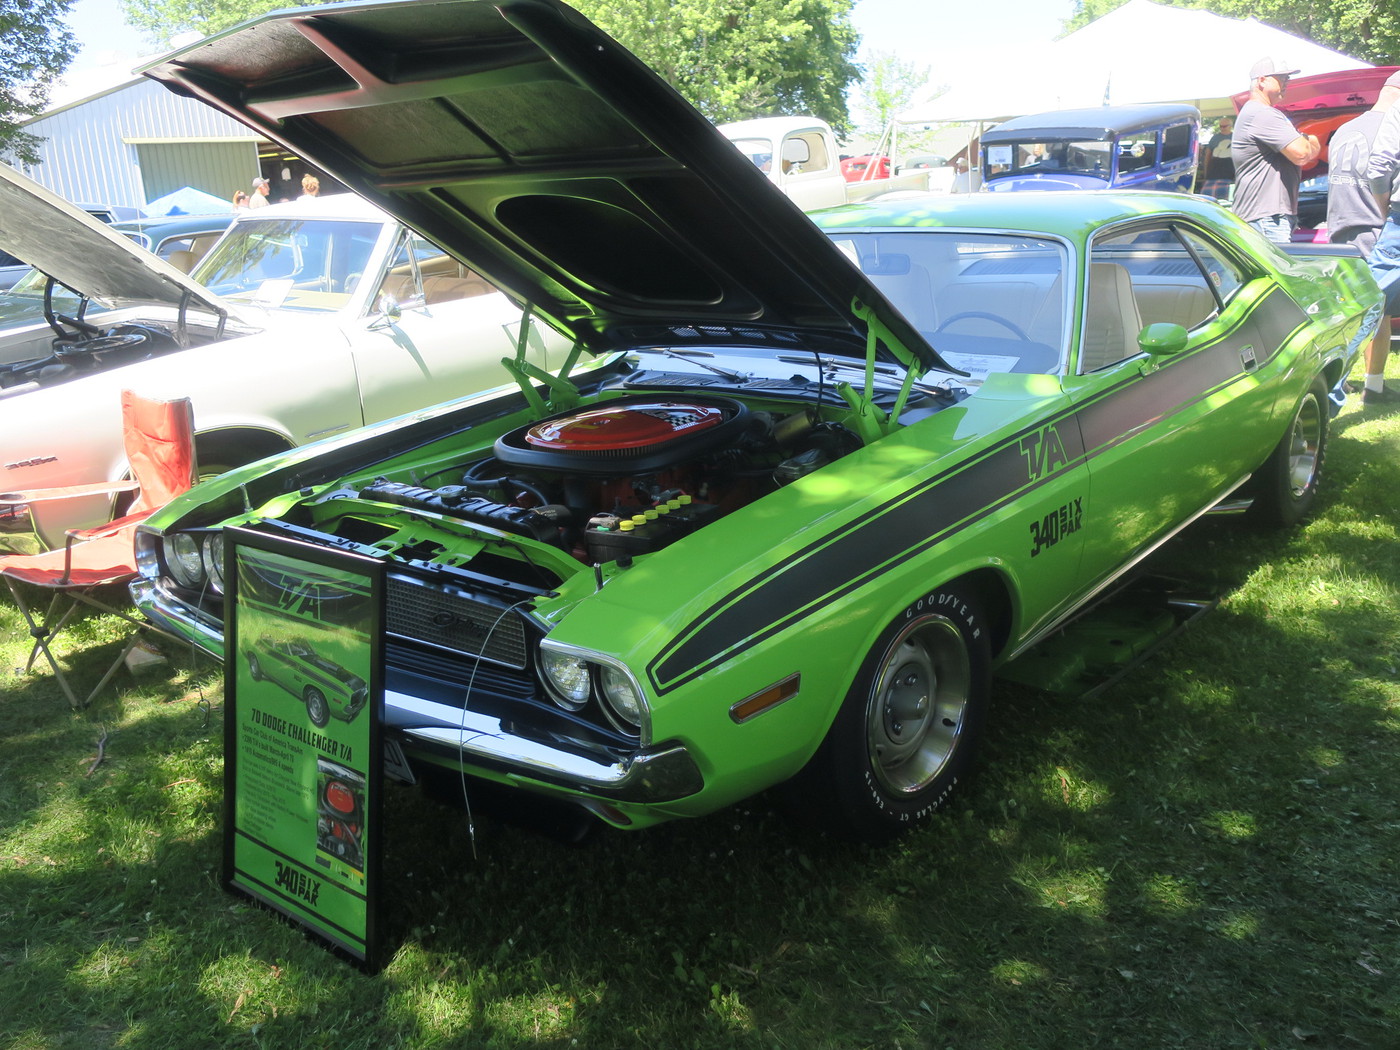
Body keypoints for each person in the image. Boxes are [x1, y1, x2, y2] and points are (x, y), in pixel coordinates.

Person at [1327, 71, 1400, 406]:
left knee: (1364, 309)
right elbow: (1380, 173)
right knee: (1373, 310)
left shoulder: (1346, 128)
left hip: (1341, 226)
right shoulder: (1388, 127)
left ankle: (1371, 386)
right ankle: (1360, 386)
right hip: (1374, 224)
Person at [1232, 57, 1321, 244]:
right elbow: (1302, 154)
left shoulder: (1255, 113)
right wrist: (1309, 138)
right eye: (1281, 78)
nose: (1287, 83)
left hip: (1264, 217)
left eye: (1287, 78)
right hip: (1267, 219)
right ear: (1262, 81)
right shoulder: (1263, 113)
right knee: (1277, 272)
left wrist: (1305, 142)